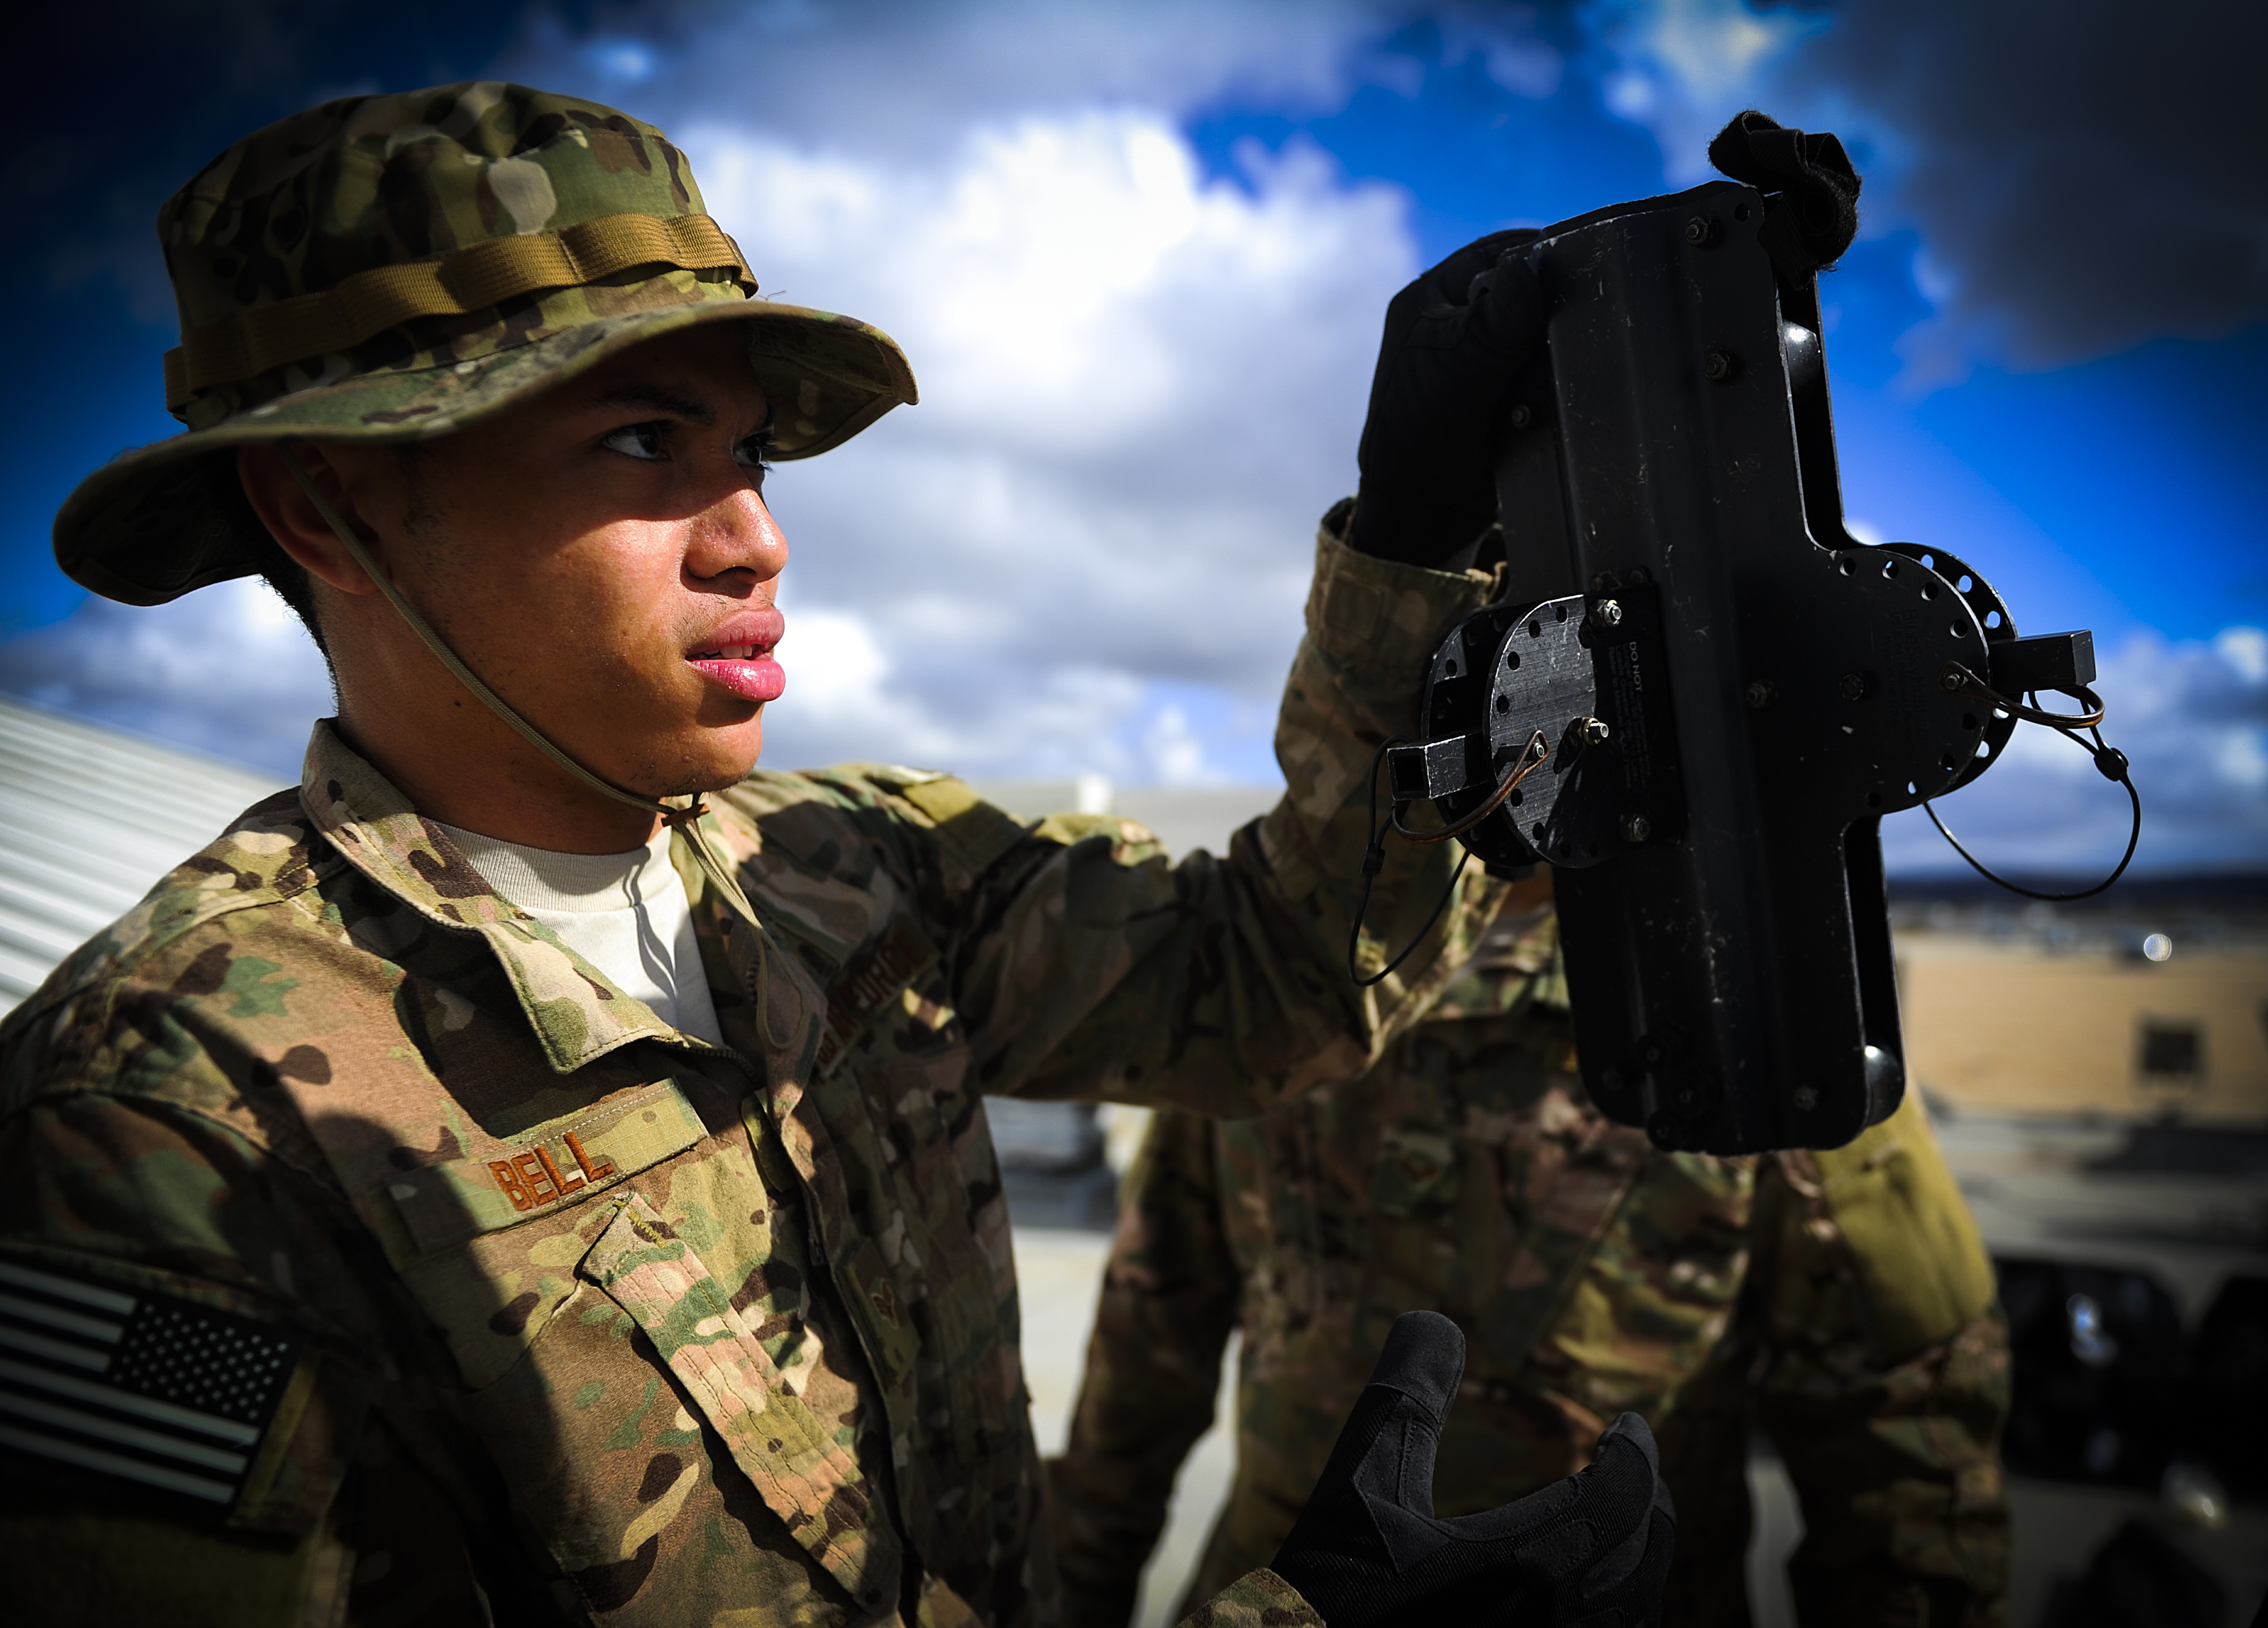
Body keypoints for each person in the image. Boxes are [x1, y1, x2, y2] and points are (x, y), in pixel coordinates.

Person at [0, 82, 1673, 1626]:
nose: (757, 537)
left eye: (749, 451)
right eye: (642, 443)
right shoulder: (168, 1129)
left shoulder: (844, 864)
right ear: (327, 507)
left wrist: (1417, 550)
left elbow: (1273, 977)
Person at [1051, 883, 2013, 1628]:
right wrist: (1072, 1595)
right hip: (1286, 1604)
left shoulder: (1746, 1006)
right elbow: (1145, 1345)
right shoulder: (1277, 983)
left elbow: (1905, 1447)